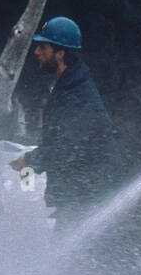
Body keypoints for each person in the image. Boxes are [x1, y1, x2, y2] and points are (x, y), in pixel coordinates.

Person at [10, 16, 114, 230]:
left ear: (60, 53)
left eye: (43, 47)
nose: (37, 52)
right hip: (75, 195)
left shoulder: (78, 97)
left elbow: (66, 150)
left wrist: (28, 162)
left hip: (86, 199)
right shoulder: (67, 86)